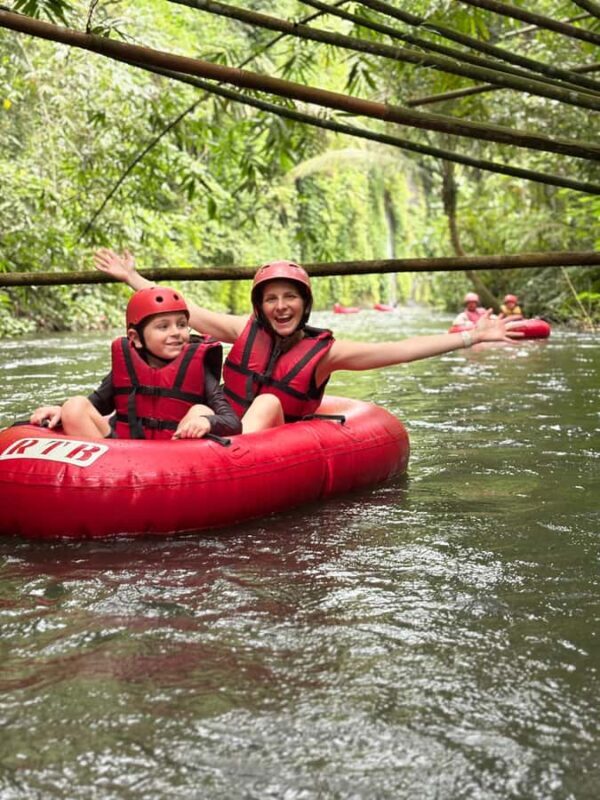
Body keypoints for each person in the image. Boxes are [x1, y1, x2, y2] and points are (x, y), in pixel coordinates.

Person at [93, 249, 522, 433]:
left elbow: (399, 350)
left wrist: (471, 337)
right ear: (261, 307)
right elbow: (183, 313)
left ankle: (211, 446)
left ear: (304, 304)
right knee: (197, 401)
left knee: (266, 403)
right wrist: (132, 278)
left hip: (260, 438)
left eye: (290, 297)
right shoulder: (245, 331)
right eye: (272, 299)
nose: (281, 306)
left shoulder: (324, 355)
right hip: (218, 425)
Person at [30, 286, 241, 441]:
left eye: (182, 325)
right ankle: (103, 480)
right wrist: (60, 410)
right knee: (73, 405)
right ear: (136, 338)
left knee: (200, 409)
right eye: (163, 327)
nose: (176, 332)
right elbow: (92, 406)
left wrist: (207, 422)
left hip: (177, 453)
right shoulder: (127, 368)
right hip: (121, 453)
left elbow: (232, 422)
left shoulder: (199, 371)